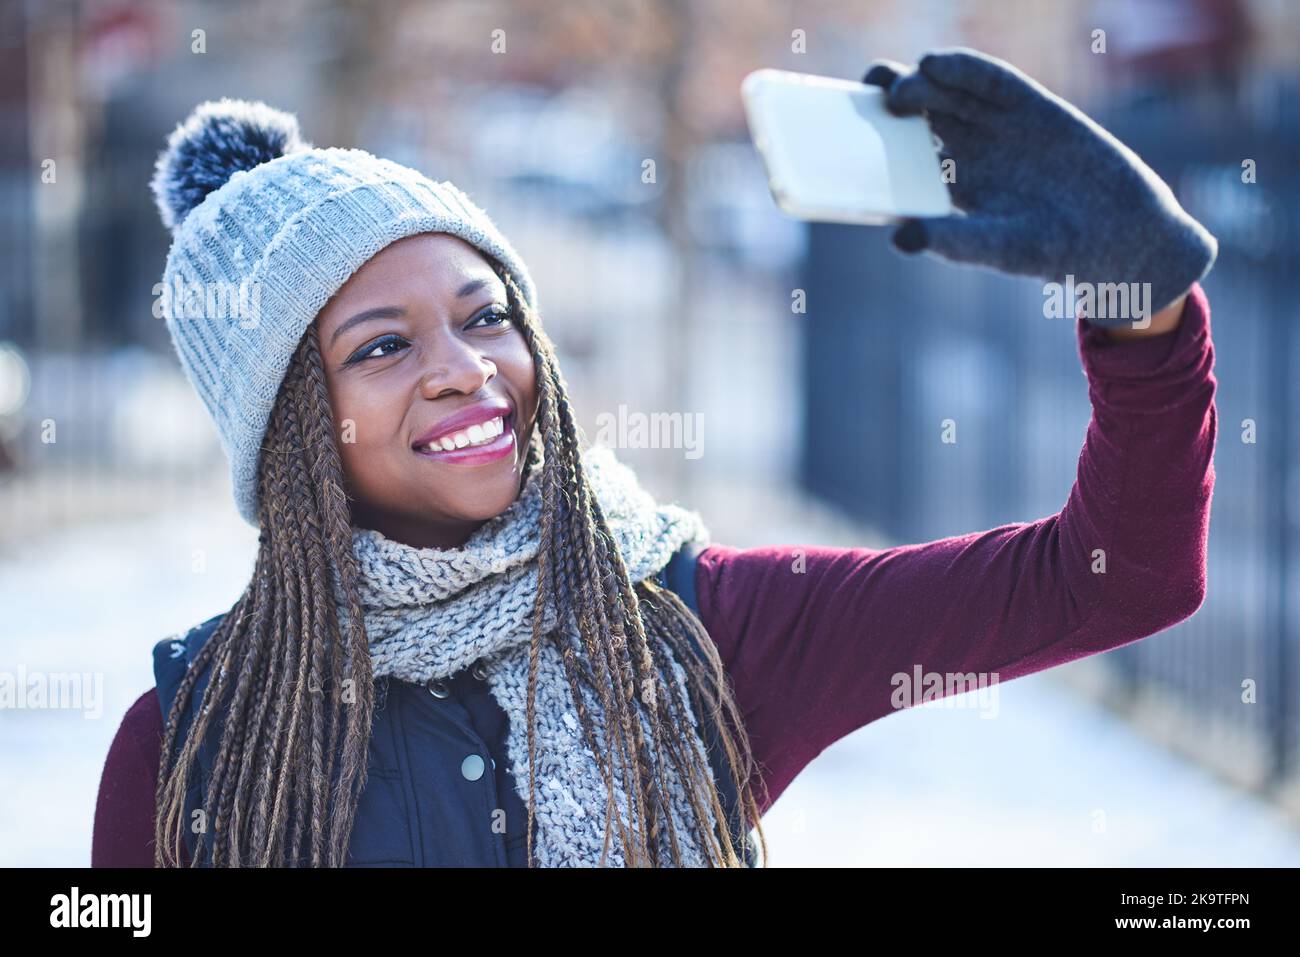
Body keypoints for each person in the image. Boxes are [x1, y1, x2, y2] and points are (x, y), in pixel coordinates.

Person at [92, 48, 1217, 868]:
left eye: (487, 318)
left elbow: (1113, 576)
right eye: (381, 346)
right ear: (287, 428)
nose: (465, 370)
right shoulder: (193, 741)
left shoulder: (699, 628)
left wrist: (1142, 312)